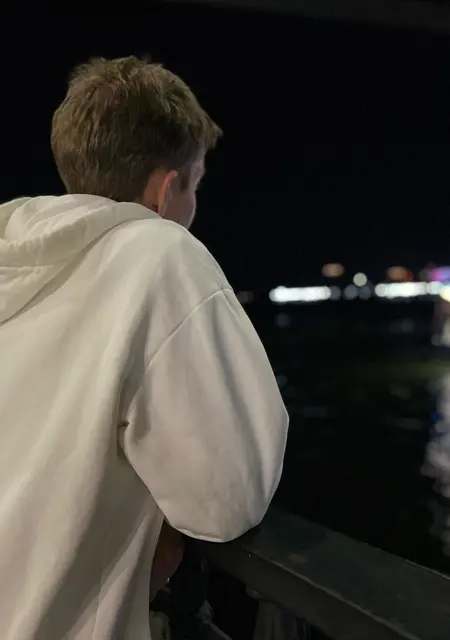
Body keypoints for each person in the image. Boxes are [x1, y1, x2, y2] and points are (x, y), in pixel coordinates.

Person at [0, 56, 289, 639]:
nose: (193, 208)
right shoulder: (158, 254)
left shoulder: (14, 261)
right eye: (195, 185)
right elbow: (228, 500)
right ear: (164, 190)